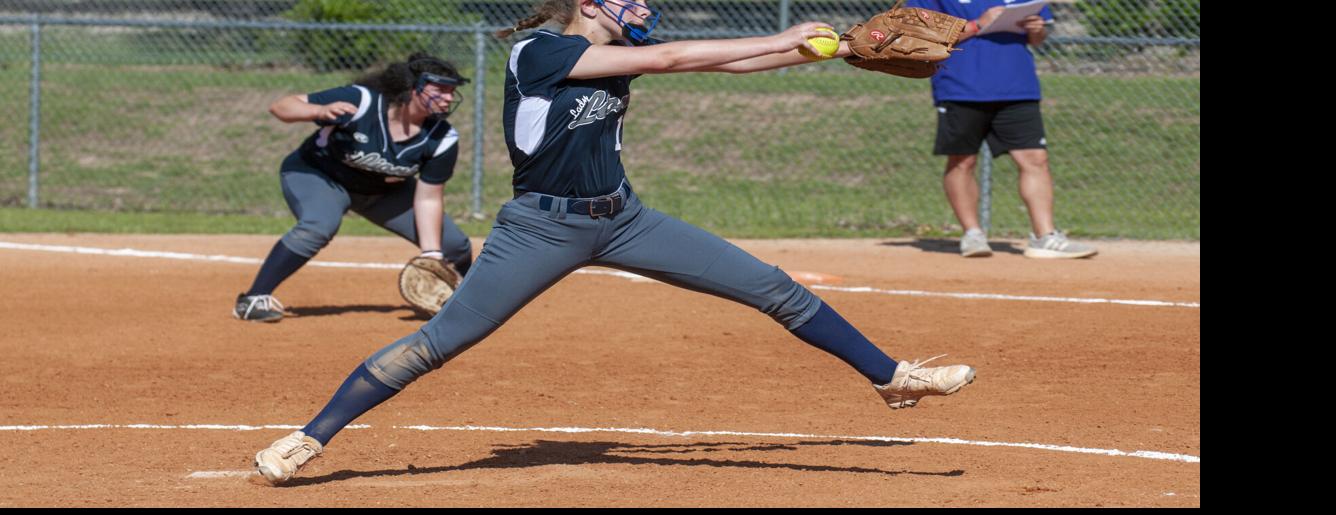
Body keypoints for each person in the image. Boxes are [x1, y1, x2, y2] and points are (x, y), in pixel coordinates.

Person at [252, 0, 977, 483]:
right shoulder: (537, 51)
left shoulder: (618, 49)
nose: (641, 7)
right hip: (540, 227)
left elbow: (720, 61)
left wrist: (828, 50)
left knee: (772, 288)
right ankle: (311, 436)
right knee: (438, 343)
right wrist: (786, 35)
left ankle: (892, 377)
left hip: (623, 218)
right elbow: (671, 61)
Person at [233, 53, 476, 322]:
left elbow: (429, 197)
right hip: (320, 175)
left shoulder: (441, 137)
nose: (449, 98)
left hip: (384, 192)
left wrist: (431, 254)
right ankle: (253, 299)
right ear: (411, 87)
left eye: (452, 91)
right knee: (318, 225)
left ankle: (473, 301)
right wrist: (317, 111)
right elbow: (281, 106)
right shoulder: (362, 101)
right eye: (440, 89)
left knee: (454, 245)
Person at [905, 0, 1097, 259]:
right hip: (961, 86)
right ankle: (973, 234)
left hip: (1018, 86)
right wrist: (979, 24)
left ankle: (1045, 236)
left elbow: (1037, 39)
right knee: (962, 160)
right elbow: (924, 37)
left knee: (1035, 159)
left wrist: (1036, 29)